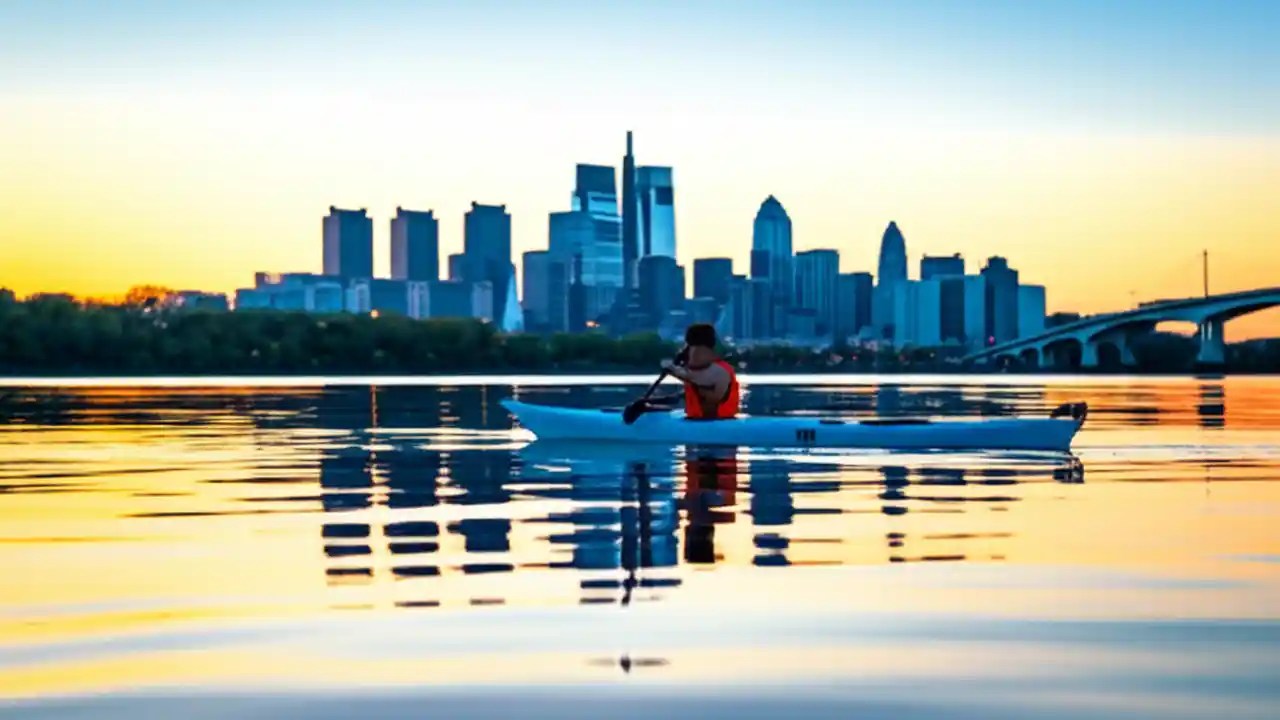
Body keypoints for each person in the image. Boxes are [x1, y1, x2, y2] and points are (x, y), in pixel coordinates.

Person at [661, 323, 740, 419]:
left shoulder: (719, 371)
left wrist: (673, 370)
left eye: (696, 351)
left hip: (717, 422)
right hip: (697, 419)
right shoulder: (698, 368)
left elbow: (696, 378)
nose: (693, 355)